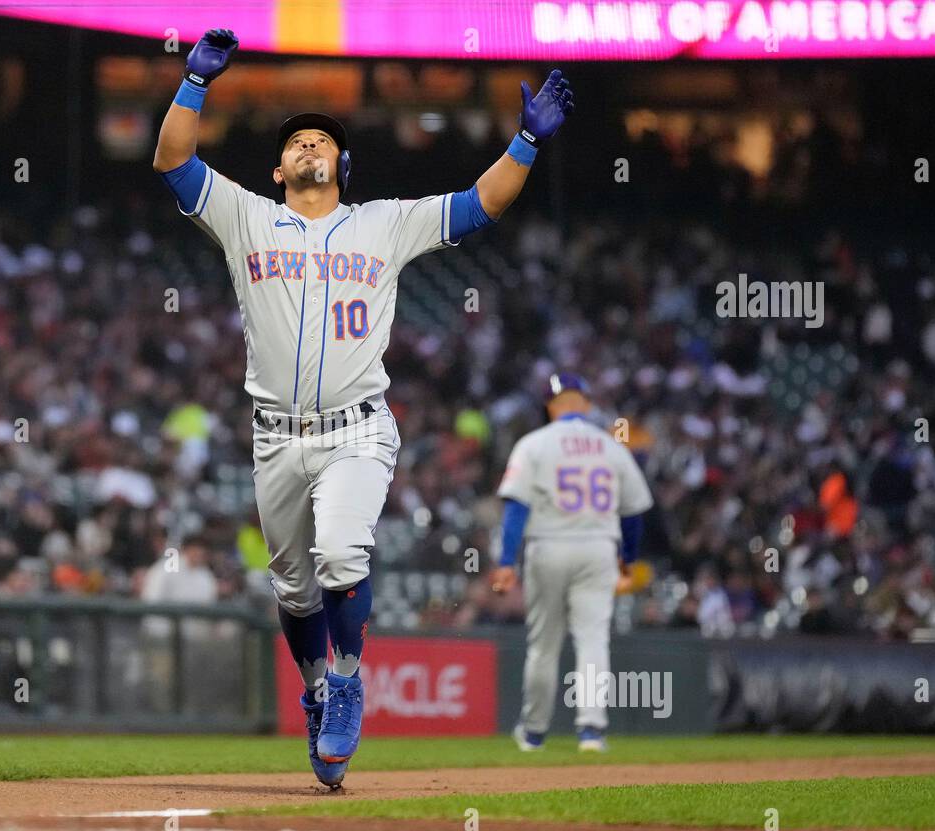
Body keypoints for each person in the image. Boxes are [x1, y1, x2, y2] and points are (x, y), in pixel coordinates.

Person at [154, 29, 574, 788]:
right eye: (297, 142)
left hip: (357, 430)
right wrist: (192, 82)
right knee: (291, 586)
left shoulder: (383, 222)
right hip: (276, 438)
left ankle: (346, 681)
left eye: (323, 141)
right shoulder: (246, 217)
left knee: (343, 553)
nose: (309, 146)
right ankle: (316, 689)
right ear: (279, 168)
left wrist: (525, 143)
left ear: (342, 166)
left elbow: (479, 206)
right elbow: (174, 161)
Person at [489, 374, 653, 753]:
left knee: (543, 645)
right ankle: (591, 731)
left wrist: (506, 561)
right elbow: (633, 514)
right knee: (593, 639)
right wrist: (627, 559)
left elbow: (516, 507)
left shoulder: (533, 444)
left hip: (548, 544)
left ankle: (533, 733)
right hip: (598, 547)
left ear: (550, 405)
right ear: (584, 402)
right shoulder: (611, 446)